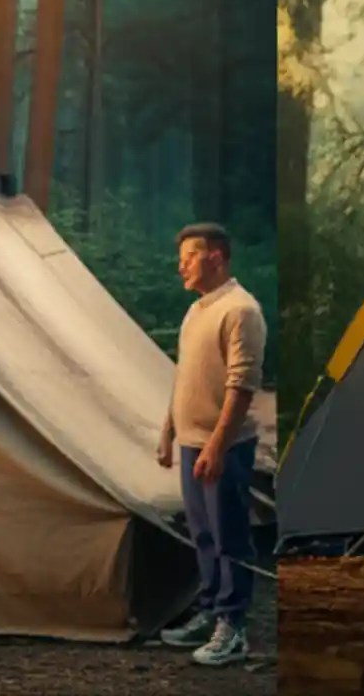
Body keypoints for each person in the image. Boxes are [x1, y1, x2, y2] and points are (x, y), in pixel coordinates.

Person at [156, 222, 266, 667]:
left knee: (229, 536)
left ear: (216, 257)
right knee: (203, 534)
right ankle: (209, 612)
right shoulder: (196, 310)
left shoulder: (241, 310)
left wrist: (218, 446)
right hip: (191, 442)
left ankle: (233, 626)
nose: (180, 265)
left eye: (189, 255)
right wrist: (169, 431)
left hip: (225, 445)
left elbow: (243, 385)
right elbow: (185, 377)